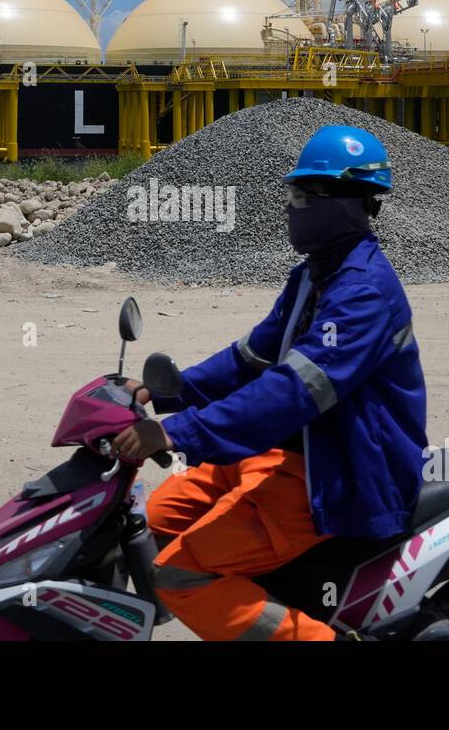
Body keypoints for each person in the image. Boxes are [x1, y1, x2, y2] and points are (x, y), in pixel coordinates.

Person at [111, 124, 428, 641]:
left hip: (337, 472)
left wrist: (178, 433)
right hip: (282, 457)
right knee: (154, 516)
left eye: (305, 194)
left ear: (348, 203)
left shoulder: (363, 293)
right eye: (292, 193)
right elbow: (251, 357)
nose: (292, 207)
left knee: (179, 576)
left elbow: (292, 392)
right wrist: (168, 392)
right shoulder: (313, 275)